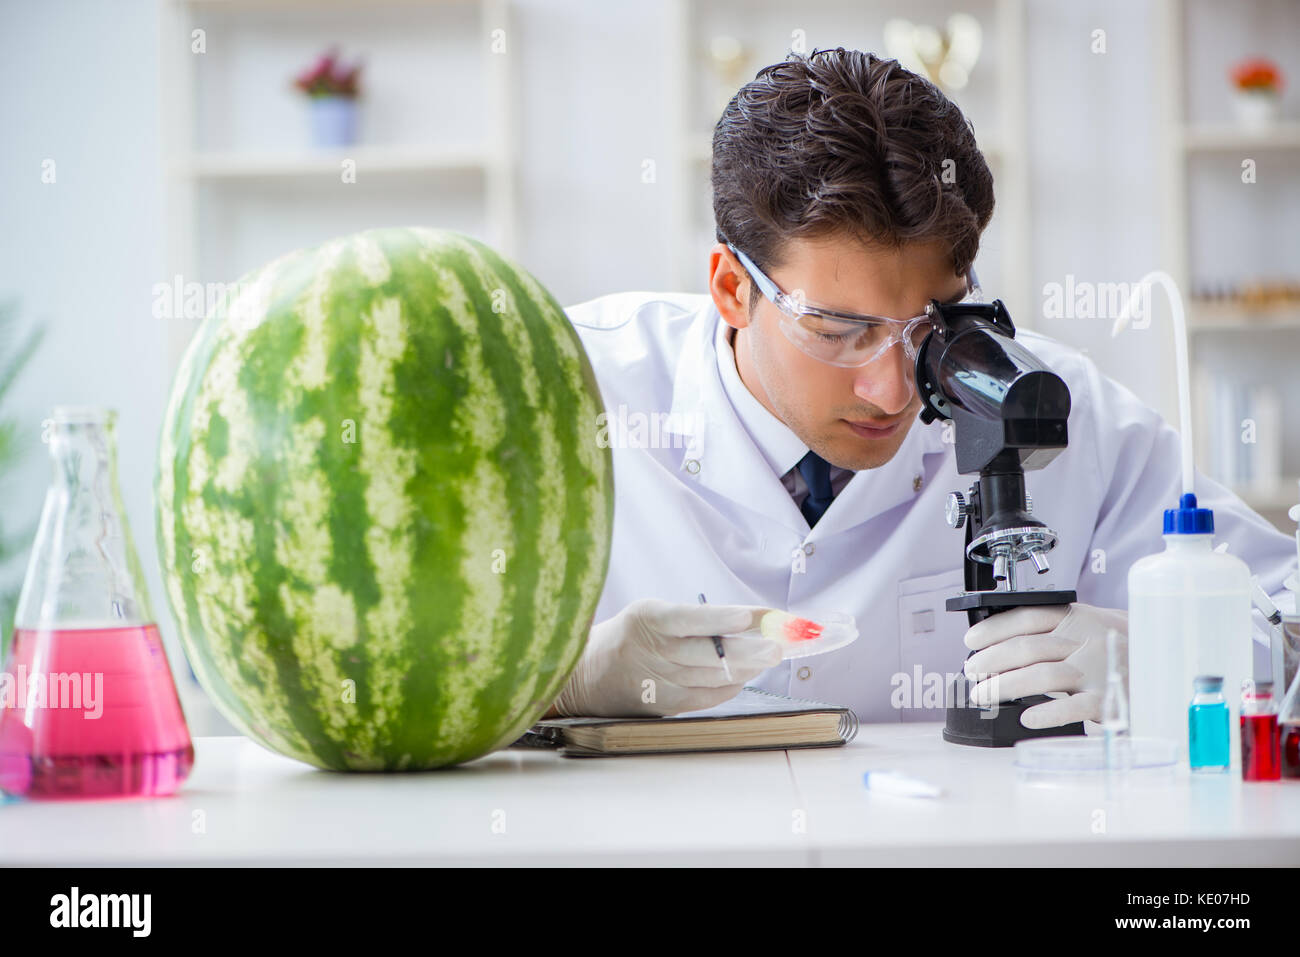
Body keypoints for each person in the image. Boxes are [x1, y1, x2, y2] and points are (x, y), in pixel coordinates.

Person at [546, 48, 1297, 728]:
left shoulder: (1050, 403)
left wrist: (1182, 655)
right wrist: (565, 682)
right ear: (732, 288)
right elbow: (425, 674)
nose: (891, 390)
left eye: (932, 326)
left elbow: (1287, 615)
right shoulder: (572, 389)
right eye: (840, 330)